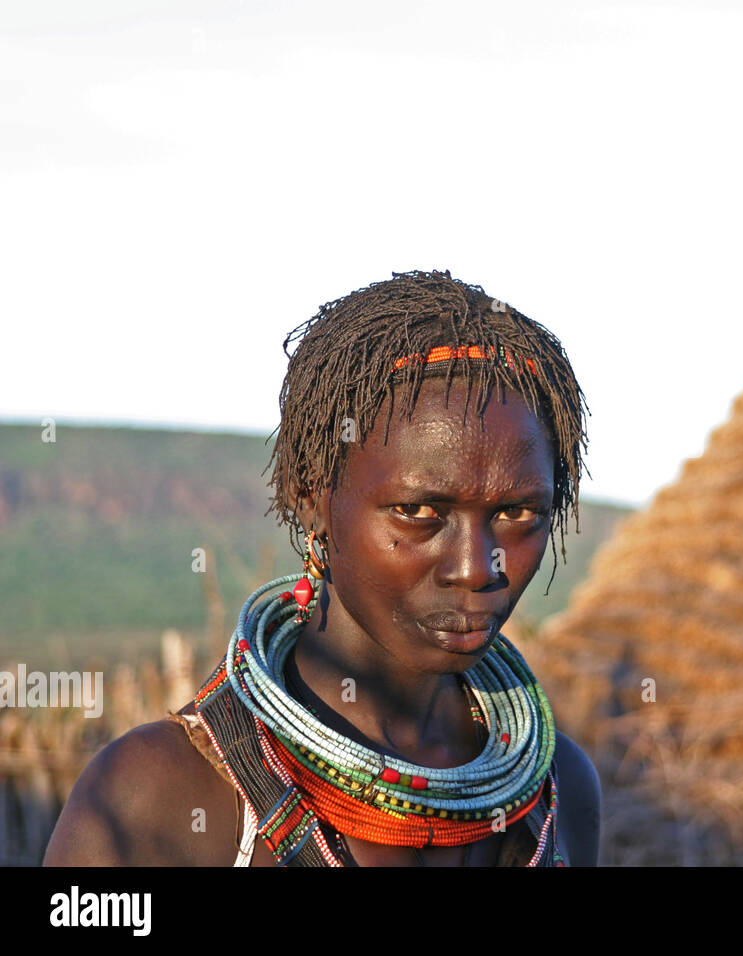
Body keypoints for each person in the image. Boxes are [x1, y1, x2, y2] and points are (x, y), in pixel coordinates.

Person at [44, 270, 602, 866]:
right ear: (311, 497)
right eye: (417, 511)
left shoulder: (559, 790)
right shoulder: (155, 799)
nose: (474, 568)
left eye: (518, 513)